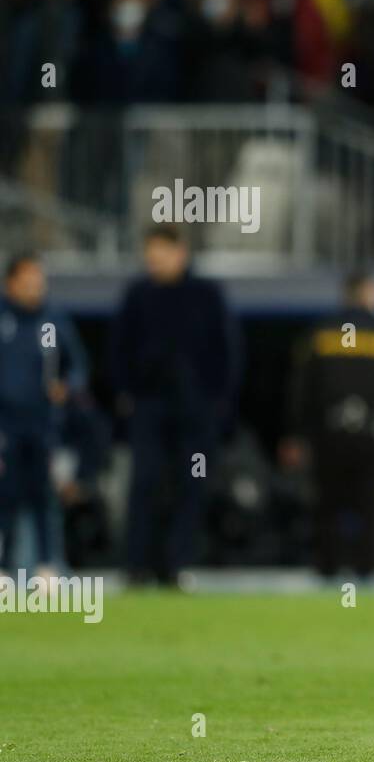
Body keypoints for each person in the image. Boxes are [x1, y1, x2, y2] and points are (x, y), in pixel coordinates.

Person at [281, 271, 374, 580]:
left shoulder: (319, 333)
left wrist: (293, 435)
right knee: (372, 505)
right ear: (368, 293)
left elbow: (299, 389)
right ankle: (367, 573)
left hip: (328, 435)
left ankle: (327, 572)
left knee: (327, 503)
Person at [111, 224, 241, 587]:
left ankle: (176, 564)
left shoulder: (206, 295)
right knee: (145, 482)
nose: (156, 261)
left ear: (180, 253)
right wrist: (128, 395)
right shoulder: (138, 295)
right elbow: (119, 351)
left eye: (162, 253)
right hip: (150, 411)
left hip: (196, 415)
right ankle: (137, 566)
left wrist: (218, 407)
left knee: (192, 482)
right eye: (150, 254)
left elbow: (226, 353)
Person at [0, 252, 88, 573]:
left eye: (38, 280)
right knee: (5, 498)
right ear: (11, 283)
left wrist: (66, 385)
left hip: (43, 424)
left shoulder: (51, 321)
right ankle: (4, 568)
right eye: (27, 281)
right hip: (5, 426)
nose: (34, 287)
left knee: (43, 498)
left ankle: (46, 565)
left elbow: (75, 365)